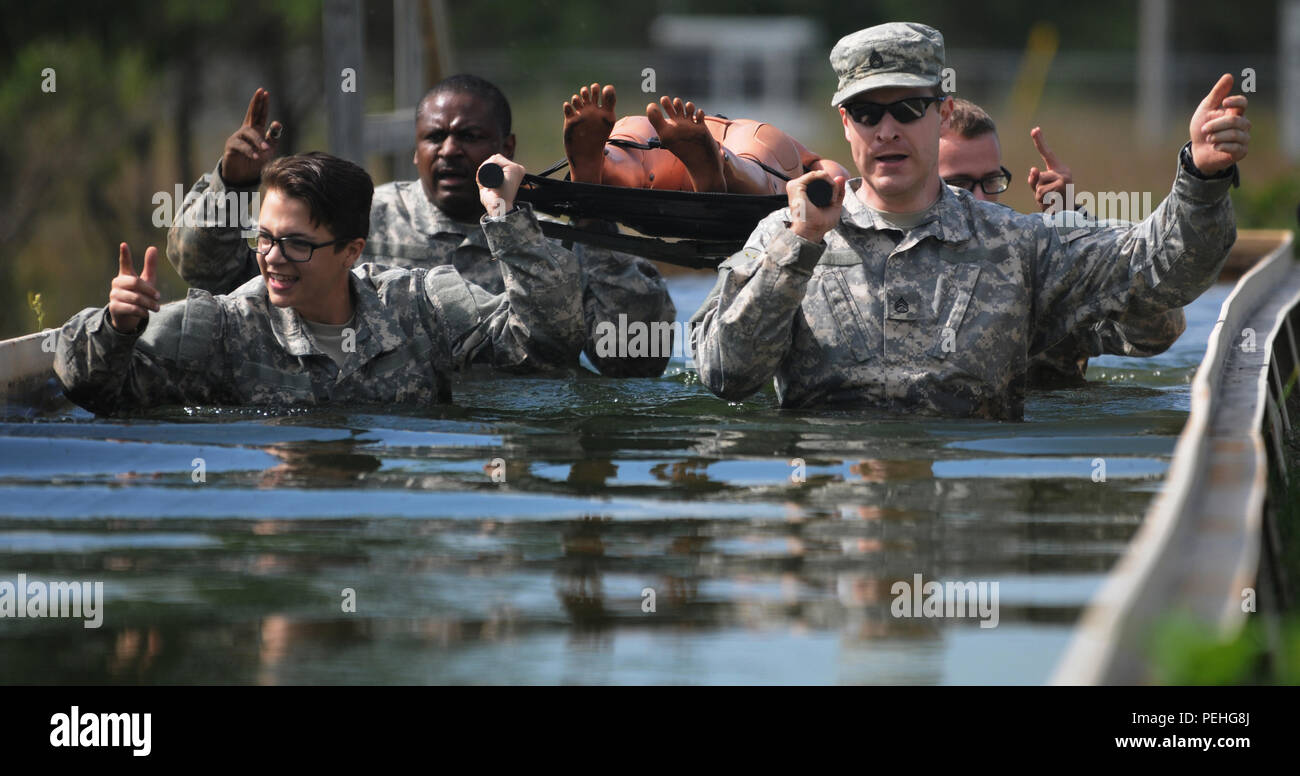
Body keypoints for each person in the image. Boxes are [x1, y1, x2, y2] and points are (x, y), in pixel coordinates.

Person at [689, 22, 1247, 419]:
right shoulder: (785, 235)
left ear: (943, 112)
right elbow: (724, 377)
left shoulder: (1016, 242)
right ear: (846, 122)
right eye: (867, 113)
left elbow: (1161, 273)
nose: (887, 130)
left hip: (969, 517)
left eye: (907, 109)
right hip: (837, 519)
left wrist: (1199, 177)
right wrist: (800, 246)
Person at [167, 76, 675, 378]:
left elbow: (636, 358)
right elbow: (208, 274)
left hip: (513, 431)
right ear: (414, 151)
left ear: (509, 148)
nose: (450, 149)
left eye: (470, 136)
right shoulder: (358, 219)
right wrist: (232, 185)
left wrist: (591, 210)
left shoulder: (546, 238)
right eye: (435, 137)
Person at [56, 152, 584, 415]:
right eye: (263, 238)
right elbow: (90, 388)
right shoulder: (224, 326)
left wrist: (507, 223)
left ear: (352, 251)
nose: (272, 259)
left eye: (296, 244)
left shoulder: (421, 304)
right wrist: (115, 326)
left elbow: (543, 348)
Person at [938, 98, 1186, 387]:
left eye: (990, 181)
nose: (979, 199)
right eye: (960, 185)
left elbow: (1159, 329)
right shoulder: (892, 270)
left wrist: (1074, 226)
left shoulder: (1038, 266)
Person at [560, 82, 851, 194]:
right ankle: (722, 168)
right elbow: (822, 164)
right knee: (756, 165)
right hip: (740, 140)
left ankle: (600, 165)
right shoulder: (745, 128)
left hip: (662, 140)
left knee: (629, 146)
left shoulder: (676, 128)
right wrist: (835, 182)